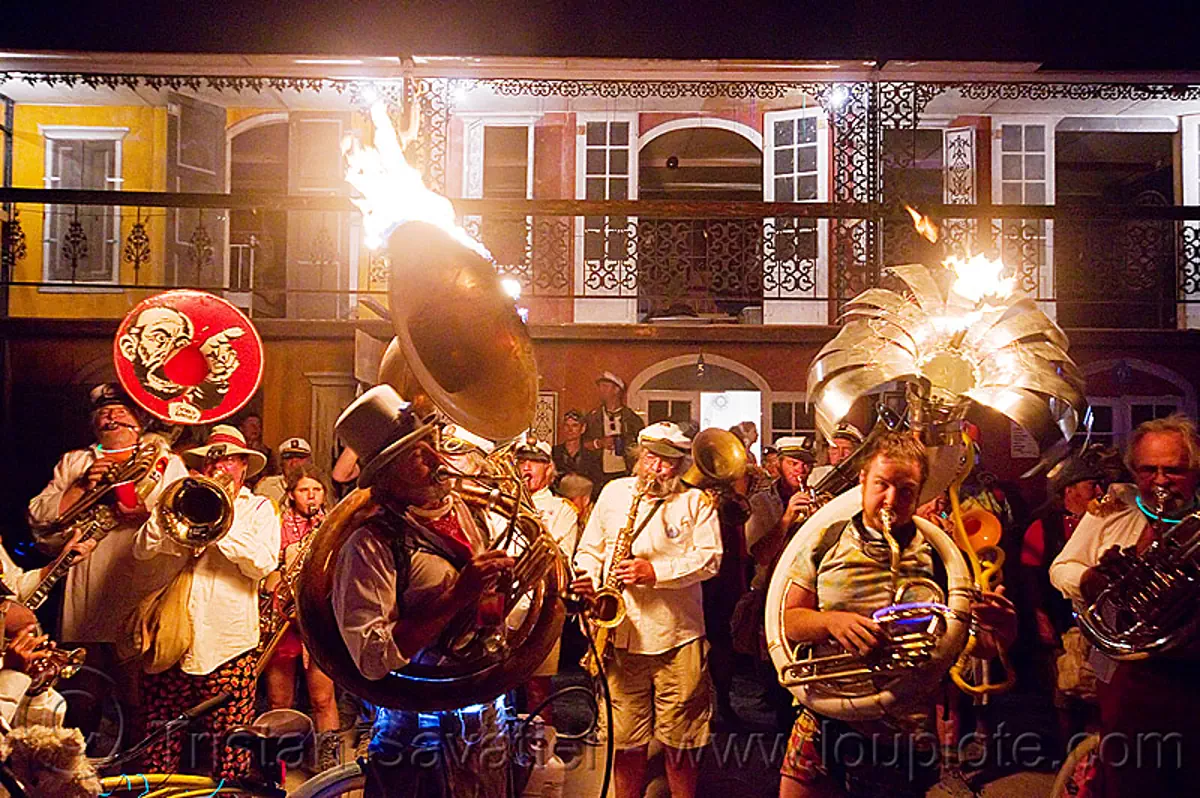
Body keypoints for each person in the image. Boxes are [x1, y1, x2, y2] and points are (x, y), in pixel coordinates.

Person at [778, 431, 1017, 798]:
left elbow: (970, 647)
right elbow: (790, 621)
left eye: (905, 490)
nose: (891, 499)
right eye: (881, 484)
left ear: (919, 492)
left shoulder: (942, 558)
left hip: (904, 734)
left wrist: (1000, 634)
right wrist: (830, 621)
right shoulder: (825, 539)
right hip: (823, 719)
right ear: (862, 480)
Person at [331, 385, 516, 798]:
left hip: (483, 711)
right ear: (387, 472)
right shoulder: (369, 543)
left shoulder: (465, 511)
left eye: (432, 444)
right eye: (419, 454)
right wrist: (457, 596)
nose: (438, 461)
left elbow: (484, 604)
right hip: (417, 728)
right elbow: (372, 660)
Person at [1050, 415, 1200, 797]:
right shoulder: (1111, 512)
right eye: (1149, 469)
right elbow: (1061, 568)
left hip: (1188, 678)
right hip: (1121, 675)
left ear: (1195, 471)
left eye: (1174, 470)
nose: (1161, 481)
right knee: (1125, 776)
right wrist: (1090, 580)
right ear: (1134, 471)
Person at [27, 382, 188, 738]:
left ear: (140, 419)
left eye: (120, 410)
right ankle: (78, 773)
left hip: (141, 594)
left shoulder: (165, 461)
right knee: (82, 692)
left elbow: (183, 525)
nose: (111, 417)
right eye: (102, 413)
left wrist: (144, 513)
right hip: (85, 595)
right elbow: (39, 520)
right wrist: (83, 487)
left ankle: (136, 780)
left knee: (138, 698)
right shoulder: (76, 462)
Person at [572, 422, 722, 798]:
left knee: (682, 738)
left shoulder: (695, 501)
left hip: (678, 635)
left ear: (681, 463)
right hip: (620, 636)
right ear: (639, 457)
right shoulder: (613, 493)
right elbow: (591, 549)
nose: (658, 469)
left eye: (668, 462)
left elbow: (710, 559)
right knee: (625, 739)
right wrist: (588, 577)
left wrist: (656, 572)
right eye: (651, 458)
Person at [133, 425, 280, 780]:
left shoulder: (259, 508)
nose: (221, 465)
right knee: (159, 744)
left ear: (244, 466)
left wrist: (219, 524)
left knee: (231, 750)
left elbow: (262, 562)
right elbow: (142, 549)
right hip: (170, 645)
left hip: (230, 647)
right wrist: (174, 504)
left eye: (230, 459)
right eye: (214, 457)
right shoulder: (182, 497)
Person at [1018, 457, 1103, 751]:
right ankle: (1069, 753)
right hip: (1059, 619)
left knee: (1096, 689)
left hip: (1097, 623)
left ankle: (1093, 755)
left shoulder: (1102, 521)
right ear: (1070, 491)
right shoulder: (1042, 526)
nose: (1099, 491)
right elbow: (1029, 576)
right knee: (1064, 689)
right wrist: (1041, 617)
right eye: (1091, 485)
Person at [261, 462, 341, 772]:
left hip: (318, 621)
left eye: (317, 490)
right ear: (292, 494)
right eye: (304, 490)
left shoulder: (334, 525)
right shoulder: (276, 524)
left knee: (323, 699)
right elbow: (265, 576)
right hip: (283, 623)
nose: (312, 496)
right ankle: (277, 768)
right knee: (280, 701)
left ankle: (329, 767)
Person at [584, 372, 644, 487]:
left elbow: (640, 447)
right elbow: (583, 444)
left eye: (605, 387)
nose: (601, 390)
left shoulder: (632, 419)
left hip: (625, 474)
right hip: (597, 475)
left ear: (616, 390)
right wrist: (599, 443)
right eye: (600, 386)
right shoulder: (593, 418)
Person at [255, 437, 332, 510]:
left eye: (300, 458)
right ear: (281, 463)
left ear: (310, 461)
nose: (294, 463)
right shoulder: (266, 486)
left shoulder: (320, 486)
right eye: (289, 458)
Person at [551, 409, 602, 494]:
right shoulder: (553, 453)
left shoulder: (592, 458)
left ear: (583, 428)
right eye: (567, 426)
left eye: (574, 426)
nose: (570, 430)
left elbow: (596, 486)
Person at [807, 422, 863, 488]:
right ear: (828, 451)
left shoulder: (864, 476)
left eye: (846, 449)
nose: (840, 454)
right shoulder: (816, 475)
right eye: (835, 449)